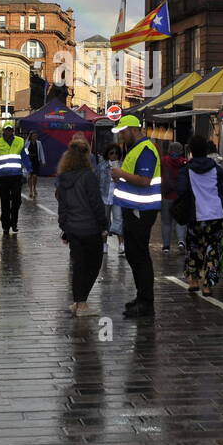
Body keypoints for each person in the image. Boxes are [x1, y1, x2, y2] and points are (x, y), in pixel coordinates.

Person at [110, 116, 162, 319]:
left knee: (140, 255)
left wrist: (121, 174)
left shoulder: (146, 149)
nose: (121, 137)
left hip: (142, 209)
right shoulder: (135, 149)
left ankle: (147, 303)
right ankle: (141, 297)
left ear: (132, 129)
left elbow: (145, 180)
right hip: (133, 208)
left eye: (123, 132)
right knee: (133, 254)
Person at [177, 136, 223, 296]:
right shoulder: (217, 169)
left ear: (191, 151)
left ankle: (194, 280)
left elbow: (181, 190)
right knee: (213, 250)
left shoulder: (186, 169)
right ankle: (207, 284)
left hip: (196, 216)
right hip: (216, 215)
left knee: (194, 248)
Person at [57, 138, 109, 317]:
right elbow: (96, 203)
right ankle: (82, 303)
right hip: (90, 228)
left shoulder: (63, 179)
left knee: (78, 265)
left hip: (73, 228)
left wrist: (64, 227)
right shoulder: (88, 177)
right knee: (94, 264)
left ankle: (78, 301)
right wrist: (103, 225)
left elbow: (62, 206)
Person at [0, 123, 31, 235]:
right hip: (3, 177)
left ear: (13, 131)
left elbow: (25, 157)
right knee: (5, 202)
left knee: (17, 200)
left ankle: (14, 223)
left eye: (10, 130)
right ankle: (6, 225)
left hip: (16, 176)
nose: (8, 132)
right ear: (3, 131)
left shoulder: (20, 141)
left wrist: (29, 169)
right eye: (6, 130)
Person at [160, 141, 188, 253]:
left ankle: (166, 246)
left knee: (166, 222)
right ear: (181, 151)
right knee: (180, 220)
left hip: (166, 195)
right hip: (180, 196)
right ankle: (181, 241)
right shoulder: (185, 162)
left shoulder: (164, 160)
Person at [97, 143, 124, 254]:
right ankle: (104, 244)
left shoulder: (122, 165)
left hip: (117, 197)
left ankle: (121, 244)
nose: (114, 155)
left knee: (119, 220)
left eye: (116, 153)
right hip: (104, 197)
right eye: (111, 153)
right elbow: (96, 180)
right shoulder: (102, 166)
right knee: (104, 221)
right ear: (107, 154)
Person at [25, 129, 45, 198]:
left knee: (35, 176)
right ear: (30, 136)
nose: (35, 136)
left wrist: (43, 161)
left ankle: (34, 187)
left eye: (36, 135)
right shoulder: (27, 143)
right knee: (29, 176)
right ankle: (30, 190)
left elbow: (41, 152)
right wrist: (25, 159)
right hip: (29, 161)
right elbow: (25, 151)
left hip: (36, 160)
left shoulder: (39, 143)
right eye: (33, 135)